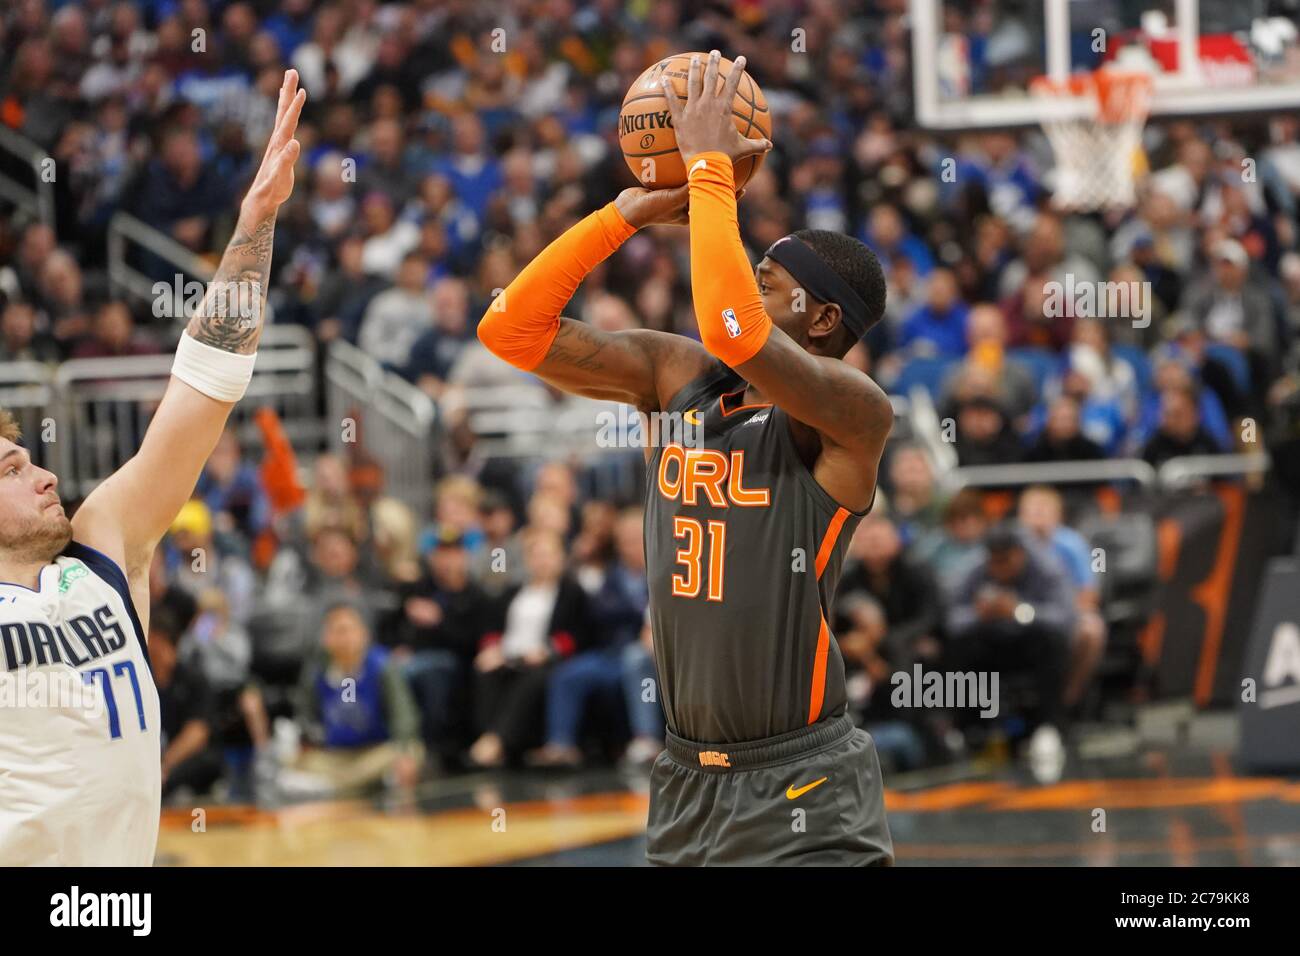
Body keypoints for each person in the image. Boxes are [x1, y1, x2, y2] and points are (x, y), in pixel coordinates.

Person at [477, 51, 893, 865]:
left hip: (803, 782)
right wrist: (622, 215)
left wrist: (709, 171)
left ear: (819, 320)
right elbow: (509, 331)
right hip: (684, 782)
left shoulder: (853, 413)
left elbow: (733, 326)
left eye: (763, 279)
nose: (741, 281)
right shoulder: (676, 378)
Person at [0, 69, 305, 866]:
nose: (43, 477)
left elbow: (205, 388)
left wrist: (256, 220)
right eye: (9, 469)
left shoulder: (101, 546)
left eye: (31, 461)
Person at [944, 524, 1075, 783]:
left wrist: (1019, 610)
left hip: (1030, 645)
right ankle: (965, 729)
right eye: (994, 561)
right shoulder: (975, 571)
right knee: (957, 644)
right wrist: (978, 615)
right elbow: (952, 620)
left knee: (1052, 641)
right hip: (991, 645)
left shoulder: (1046, 569)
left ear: (1019, 554)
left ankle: (1049, 726)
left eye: (1005, 560)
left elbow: (1065, 619)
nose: (999, 568)